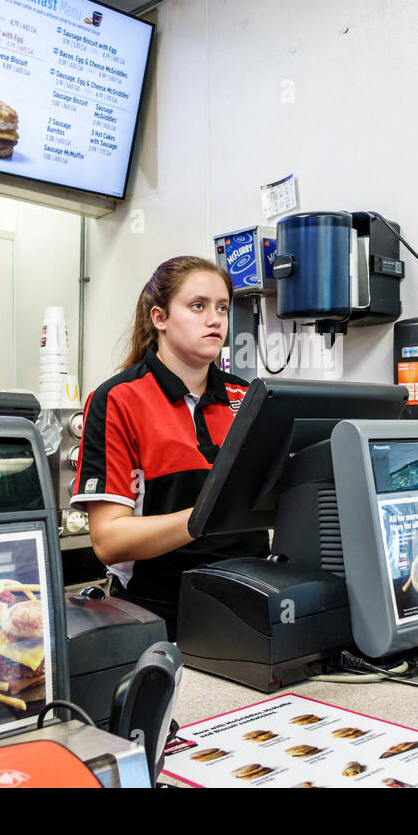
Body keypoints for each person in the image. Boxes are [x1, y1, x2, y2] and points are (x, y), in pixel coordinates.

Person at [70, 256, 268, 636]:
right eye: (198, 306)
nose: (215, 320)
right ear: (159, 318)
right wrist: (205, 517)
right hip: (163, 613)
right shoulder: (118, 399)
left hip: (255, 598)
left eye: (222, 308)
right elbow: (109, 541)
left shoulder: (248, 397)